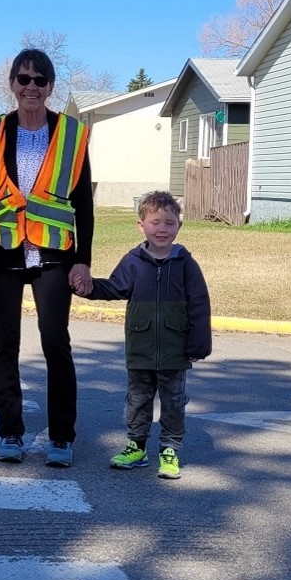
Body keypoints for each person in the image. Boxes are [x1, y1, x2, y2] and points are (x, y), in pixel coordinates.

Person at [0, 47, 94, 468]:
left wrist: (83, 260)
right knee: (6, 345)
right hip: (4, 251)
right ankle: (11, 433)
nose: (31, 87)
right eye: (23, 79)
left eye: (40, 80)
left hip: (54, 254)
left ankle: (61, 437)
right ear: (12, 85)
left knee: (56, 344)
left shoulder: (72, 134)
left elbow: (83, 204)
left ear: (51, 86)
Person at [81, 190, 211, 479]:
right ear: (141, 226)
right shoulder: (133, 261)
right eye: (155, 222)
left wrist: (199, 342)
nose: (162, 229)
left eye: (169, 222)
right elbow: (115, 287)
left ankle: (170, 449)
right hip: (140, 348)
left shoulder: (186, 264)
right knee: (137, 399)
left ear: (179, 225)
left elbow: (200, 304)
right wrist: (87, 287)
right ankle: (136, 446)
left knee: (174, 401)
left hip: (175, 351)